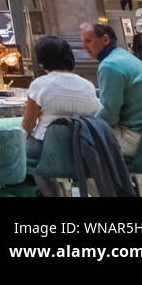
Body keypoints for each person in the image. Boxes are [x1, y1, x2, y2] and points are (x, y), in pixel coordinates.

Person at [23, 36, 103, 196]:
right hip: (83, 147)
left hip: (47, 147)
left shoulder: (39, 84)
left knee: (23, 153)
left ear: (42, 60)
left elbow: (28, 124)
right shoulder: (87, 85)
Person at [80, 21, 142, 156]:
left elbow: (109, 115)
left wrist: (86, 125)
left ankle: (105, 178)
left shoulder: (110, 65)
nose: (84, 46)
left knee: (78, 143)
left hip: (138, 136)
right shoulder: (124, 56)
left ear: (105, 39)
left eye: (88, 41)